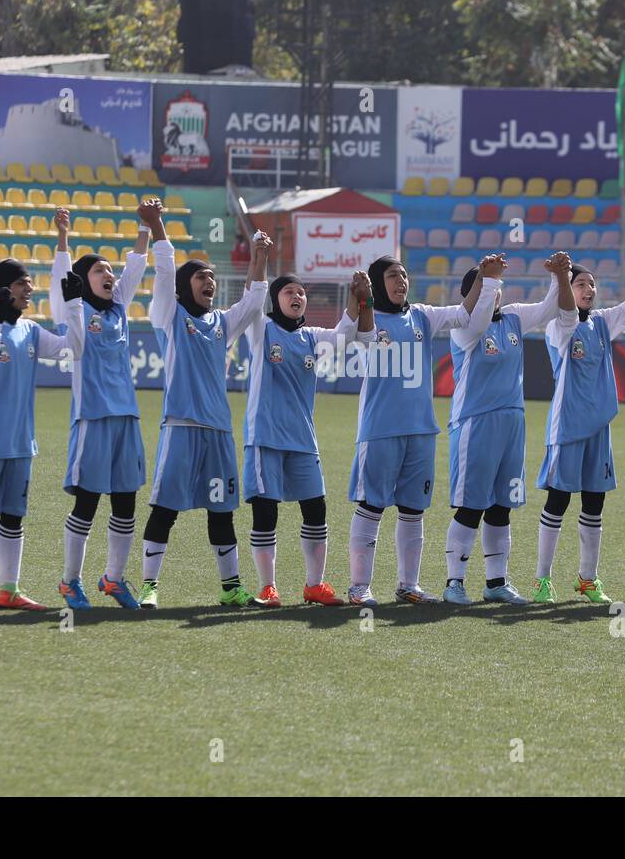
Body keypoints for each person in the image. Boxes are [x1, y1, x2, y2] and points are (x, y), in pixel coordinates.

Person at [346, 252, 505, 606]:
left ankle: (409, 585)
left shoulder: (422, 315)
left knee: (413, 510)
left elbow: (464, 314)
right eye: (392, 276)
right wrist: (364, 298)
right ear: (376, 283)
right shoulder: (369, 319)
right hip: (380, 430)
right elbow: (363, 334)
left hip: (421, 431)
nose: (401, 281)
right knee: (372, 507)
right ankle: (359, 587)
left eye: (403, 275)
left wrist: (483, 276)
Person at [139, 222, 270, 608]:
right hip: (180, 429)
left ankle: (231, 588)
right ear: (184, 287)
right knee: (165, 509)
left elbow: (253, 301)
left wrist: (260, 257)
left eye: (212, 278)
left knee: (222, 511)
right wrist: (158, 227)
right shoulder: (170, 316)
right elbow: (164, 272)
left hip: (217, 434)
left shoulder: (220, 325)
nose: (209, 282)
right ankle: (149, 587)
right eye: (201, 277)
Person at [442, 251, 576, 605]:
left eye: (496, 288)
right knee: (471, 506)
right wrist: (490, 280)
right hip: (475, 425)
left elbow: (551, 308)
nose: (495, 294)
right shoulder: (465, 329)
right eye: (486, 288)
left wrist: (559, 276)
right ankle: (454, 582)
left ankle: (496, 582)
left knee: (502, 506)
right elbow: (480, 313)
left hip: (512, 425)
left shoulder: (514, 318)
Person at [243, 246, 375, 606]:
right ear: (275, 299)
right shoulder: (260, 328)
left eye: (301, 292)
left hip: (302, 439)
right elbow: (252, 296)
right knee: (265, 511)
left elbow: (346, 334)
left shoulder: (311, 337)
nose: (297, 296)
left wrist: (356, 297)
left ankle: (314, 585)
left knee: (316, 509)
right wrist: (260, 258)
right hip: (264, 436)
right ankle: (268, 587)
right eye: (289, 291)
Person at [0, 254, 72, 613]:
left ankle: (9, 591)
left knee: (13, 516)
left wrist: (76, 306)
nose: (30, 289)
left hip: (21, 441)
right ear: (4, 289)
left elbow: (74, 348)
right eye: (23, 284)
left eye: (30, 283)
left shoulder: (30, 329)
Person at [49, 203, 153, 610]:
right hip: (91, 415)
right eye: (100, 271)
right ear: (82, 281)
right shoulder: (73, 310)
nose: (110, 276)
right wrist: (63, 237)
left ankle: (113, 579)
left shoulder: (119, 308)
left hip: (126, 416)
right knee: (88, 501)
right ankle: (69, 582)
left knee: (126, 501)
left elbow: (137, 269)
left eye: (111, 271)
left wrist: (145, 226)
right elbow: (62, 277)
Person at [531, 262, 625, 604]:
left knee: (595, 504)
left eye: (592, 284)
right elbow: (565, 311)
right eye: (580, 284)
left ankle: (587, 579)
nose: (589, 290)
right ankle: (541, 581)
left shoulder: (601, 322)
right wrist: (561, 278)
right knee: (558, 501)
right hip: (567, 427)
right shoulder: (557, 326)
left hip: (599, 429)